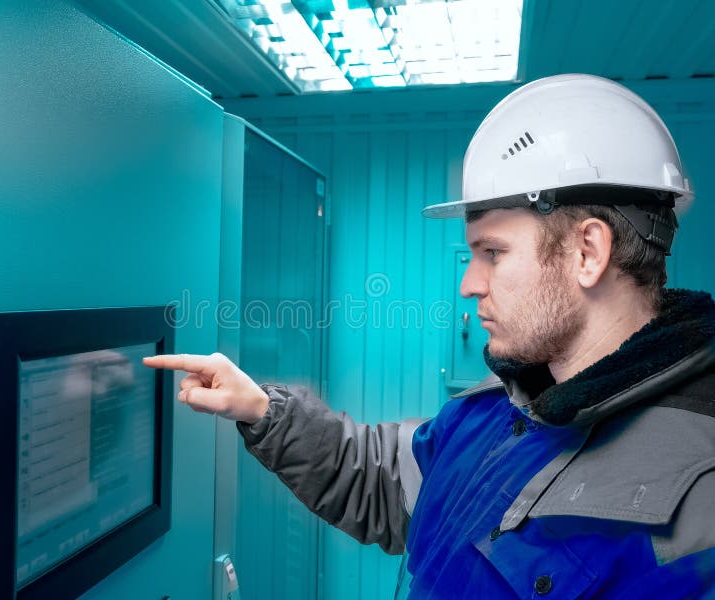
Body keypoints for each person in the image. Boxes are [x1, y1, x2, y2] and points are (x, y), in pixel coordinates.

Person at [144, 74, 715, 598]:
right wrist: (261, 409)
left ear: (587, 252)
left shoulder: (698, 508)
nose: (469, 283)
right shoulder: (499, 413)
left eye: (492, 252)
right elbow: (382, 481)